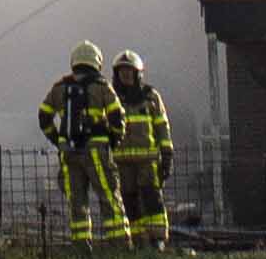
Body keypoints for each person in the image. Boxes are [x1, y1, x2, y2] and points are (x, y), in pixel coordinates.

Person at [37, 42, 120, 244]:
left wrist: (57, 139)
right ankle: (119, 244)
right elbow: (117, 116)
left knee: (77, 202)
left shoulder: (59, 88)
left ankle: (82, 245)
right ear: (97, 63)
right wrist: (113, 140)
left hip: (69, 152)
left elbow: (44, 116)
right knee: (108, 197)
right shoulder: (102, 87)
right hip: (97, 150)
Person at [105, 47, 173, 244]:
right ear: (116, 74)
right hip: (121, 163)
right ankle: (138, 239)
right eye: (122, 72)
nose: (126, 76)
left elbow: (162, 126)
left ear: (138, 74)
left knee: (153, 199)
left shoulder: (151, 97)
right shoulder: (110, 98)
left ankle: (158, 239)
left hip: (148, 161)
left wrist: (167, 154)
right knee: (129, 201)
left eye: (129, 72)